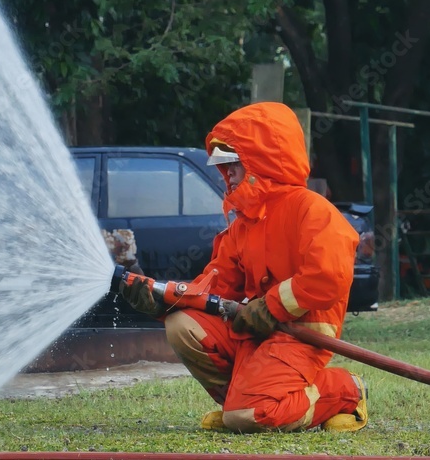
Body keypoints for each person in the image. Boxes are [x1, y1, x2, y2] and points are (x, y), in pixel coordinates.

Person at [121, 102, 368, 433]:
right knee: (182, 325)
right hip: (258, 328)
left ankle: (345, 390)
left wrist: (271, 306)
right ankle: (242, 403)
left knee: (251, 415)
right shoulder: (245, 223)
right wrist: (164, 301)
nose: (226, 172)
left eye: (232, 161)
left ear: (261, 160)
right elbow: (217, 288)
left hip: (302, 333)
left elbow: (327, 278)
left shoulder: (313, 211)